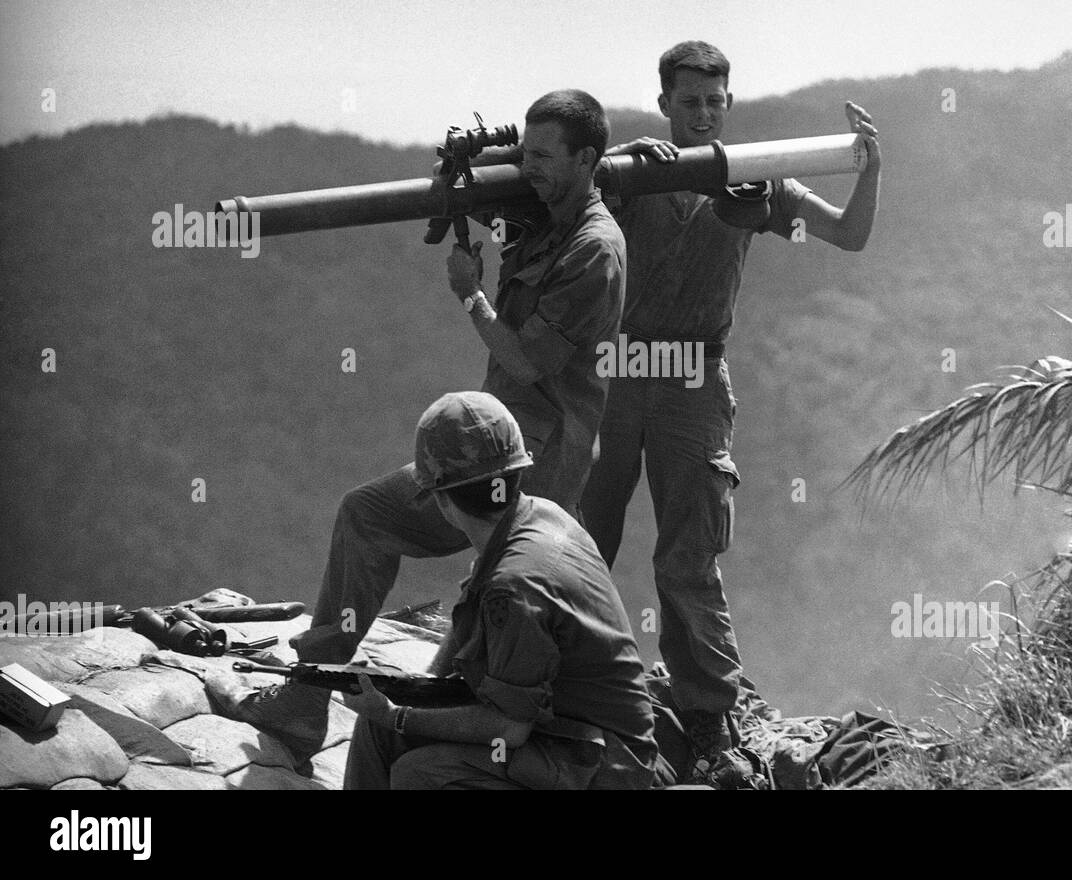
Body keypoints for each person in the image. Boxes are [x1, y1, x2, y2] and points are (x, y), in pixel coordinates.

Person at [235, 90, 627, 757]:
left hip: (533, 461)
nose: (528, 166)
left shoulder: (595, 250)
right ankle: (330, 703)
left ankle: (348, 716)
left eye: (542, 156)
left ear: (587, 160)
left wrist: (470, 295)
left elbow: (528, 362)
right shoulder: (549, 213)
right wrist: (475, 156)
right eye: (524, 152)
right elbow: (487, 181)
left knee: (414, 571)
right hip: (509, 446)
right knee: (413, 541)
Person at [579, 41, 882, 778]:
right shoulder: (631, 172)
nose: (705, 112)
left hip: (694, 381)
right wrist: (613, 164)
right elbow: (562, 202)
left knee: (688, 556)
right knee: (583, 538)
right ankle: (558, 675)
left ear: (729, 103)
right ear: (665, 105)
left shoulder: (757, 184)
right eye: (690, 102)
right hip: (619, 369)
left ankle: (708, 717)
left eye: (716, 101)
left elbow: (848, 233)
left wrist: (870, 170)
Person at [340, 391, 656, 790]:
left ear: (441, 501)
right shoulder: (540, 515)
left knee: (420, 775)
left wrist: (397, 714)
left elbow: (508, 730)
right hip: (567, 734)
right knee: (380, 728)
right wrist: (410, 693)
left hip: (599, 764)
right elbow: (475, 598)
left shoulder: (514, 586)